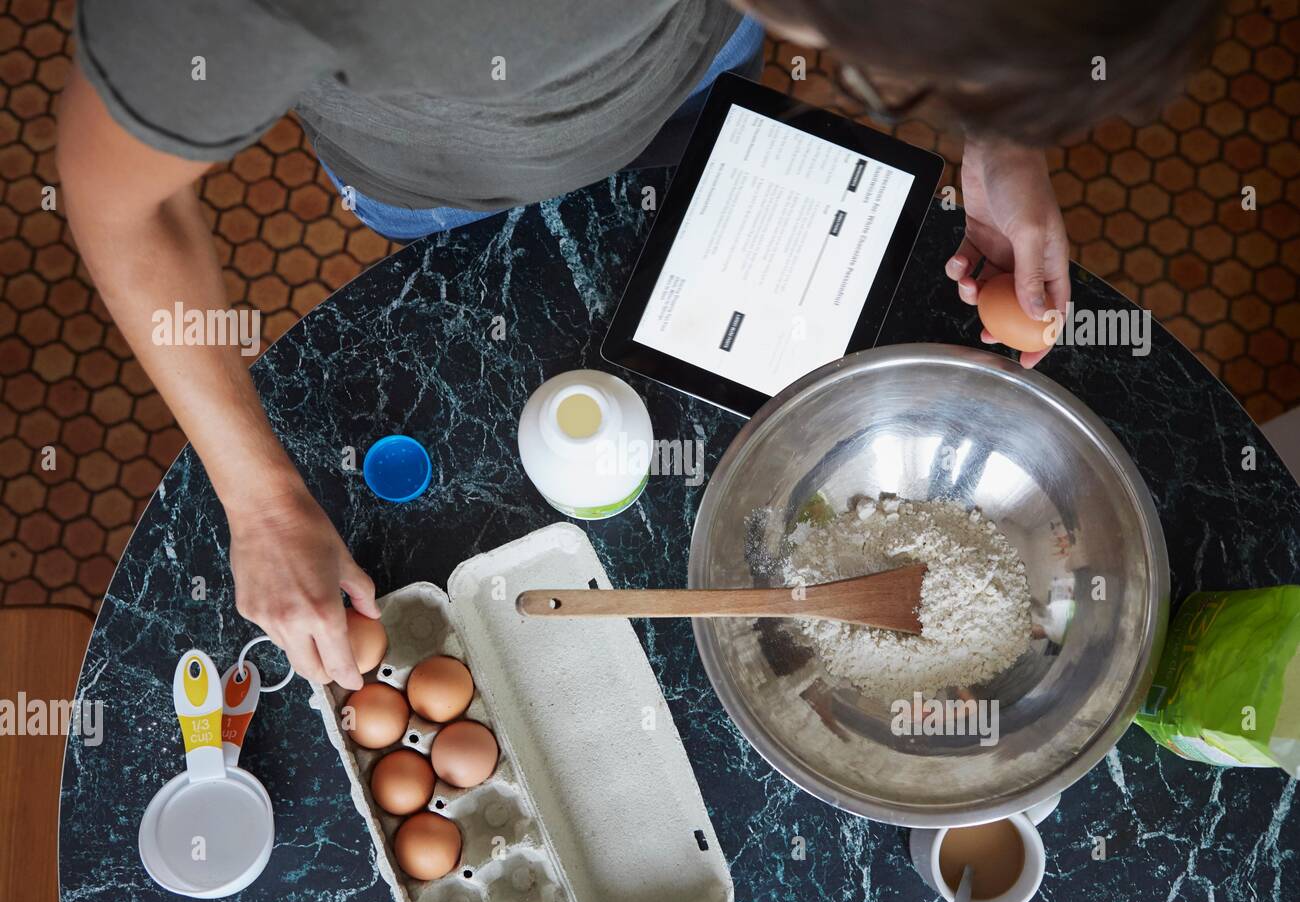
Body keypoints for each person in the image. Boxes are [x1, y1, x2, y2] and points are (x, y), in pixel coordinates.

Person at [56, 0, 1222, 689]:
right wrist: (262, 509)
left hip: (698, 93)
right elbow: (120, 201)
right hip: (441, 182)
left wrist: (998, 134)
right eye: (910, 80)